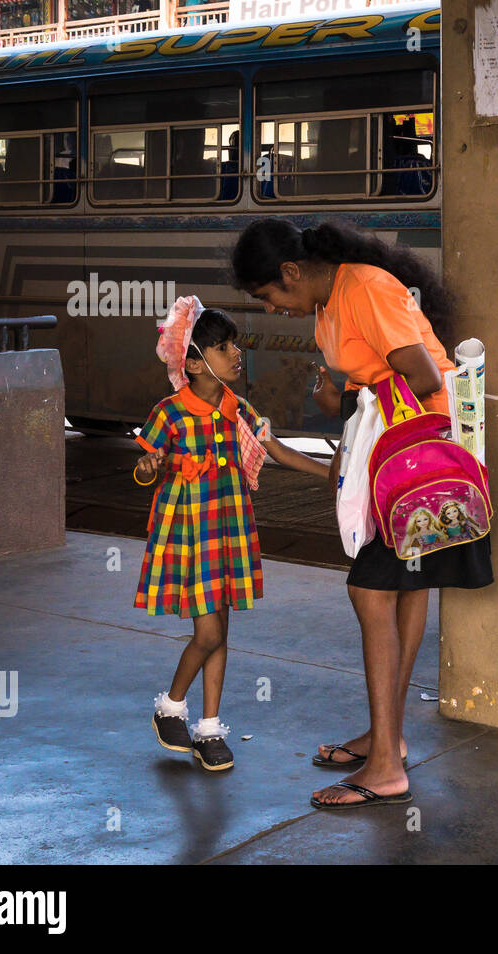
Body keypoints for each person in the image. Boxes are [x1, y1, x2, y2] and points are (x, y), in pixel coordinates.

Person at [230, 220, 494, 808]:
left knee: (370, 592)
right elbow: (383, 378)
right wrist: (344, 402)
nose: (273, 309)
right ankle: (387, 740)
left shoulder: (366, 287)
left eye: (269, 295)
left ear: (291, 272)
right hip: (399, 457)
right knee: (405, 592)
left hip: (418, 463)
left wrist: (346, 399)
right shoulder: (330, 300)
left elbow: (423, 377)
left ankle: (385, 769)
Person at [136, 303, 330, 771]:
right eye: (224, 347)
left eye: (235, 344)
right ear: (196, 362)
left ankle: (208, 728)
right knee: (209, 632)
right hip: (188, 535)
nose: (236, 353)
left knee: (221, 631)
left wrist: (329, 474)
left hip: (228, 531)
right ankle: (171, 707)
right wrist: (148, 467)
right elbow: (144, 464)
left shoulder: (236, 408)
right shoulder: (170, 413)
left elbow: (273, 447)